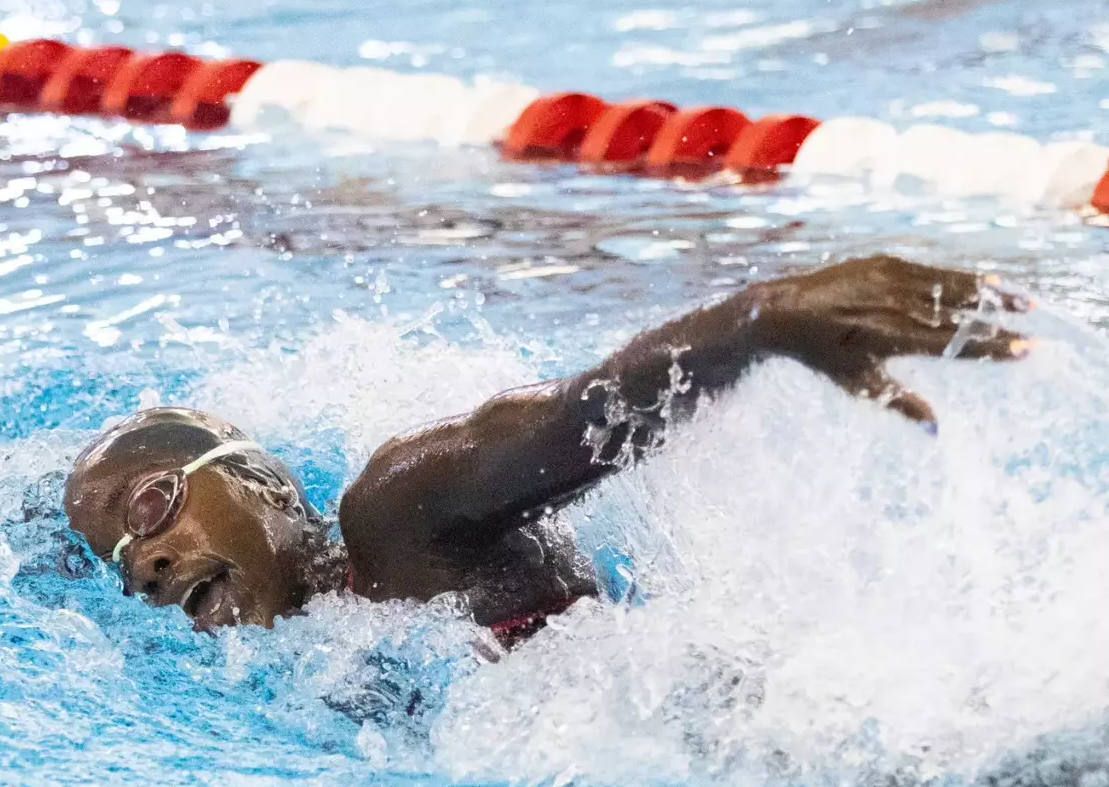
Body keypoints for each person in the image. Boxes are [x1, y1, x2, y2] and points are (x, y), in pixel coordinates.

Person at [63, 255, 1032, 650]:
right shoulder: (322, 646)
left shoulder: (393, 517)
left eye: (150, 507)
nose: (142, 563)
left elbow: (573, 420)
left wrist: (759, 321)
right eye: (121, 563)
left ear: (257, 477)